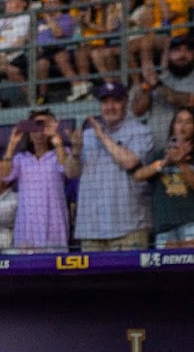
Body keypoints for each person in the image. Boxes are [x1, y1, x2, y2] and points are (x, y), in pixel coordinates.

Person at [64, 82, 154, 251]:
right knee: (92, 279)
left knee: (129, 278)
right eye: (105, 102)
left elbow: (129, 162)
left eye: (116, 101)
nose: (110, 107)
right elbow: (70, 173)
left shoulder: (140, 131)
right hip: (91, 230)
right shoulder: (88, 136)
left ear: (126, 102)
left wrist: (103, 138)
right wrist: (75, 152)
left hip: (129, 228)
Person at [3, 110, 70, 252]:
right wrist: (12, 143)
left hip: (54, 229)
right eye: (35, 127)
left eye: (44, 126)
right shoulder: (21, 159)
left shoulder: (60, 153)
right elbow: (4, 176)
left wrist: (56, 139)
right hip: (26, 231)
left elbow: (66, 168)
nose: (39, 132)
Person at [132, 107, 194, 248]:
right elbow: (138, 175)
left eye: (189, 122)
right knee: (167, 270)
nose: (183, 126)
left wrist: (180, 163)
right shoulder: (159, 155)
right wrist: (166, 161)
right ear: (173, 126)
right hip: (164, 226)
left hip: (191, 224)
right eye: (179, 121)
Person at [132, 35, 194, 153]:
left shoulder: (158, 83)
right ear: (169, 54)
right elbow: (138, 110)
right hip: (154, 151)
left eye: (188, 50)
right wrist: (147, 85)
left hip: (187, 153)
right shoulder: (160, 79)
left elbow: (186, 100)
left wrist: (157, 85)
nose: (182, 55)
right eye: (177, 50)